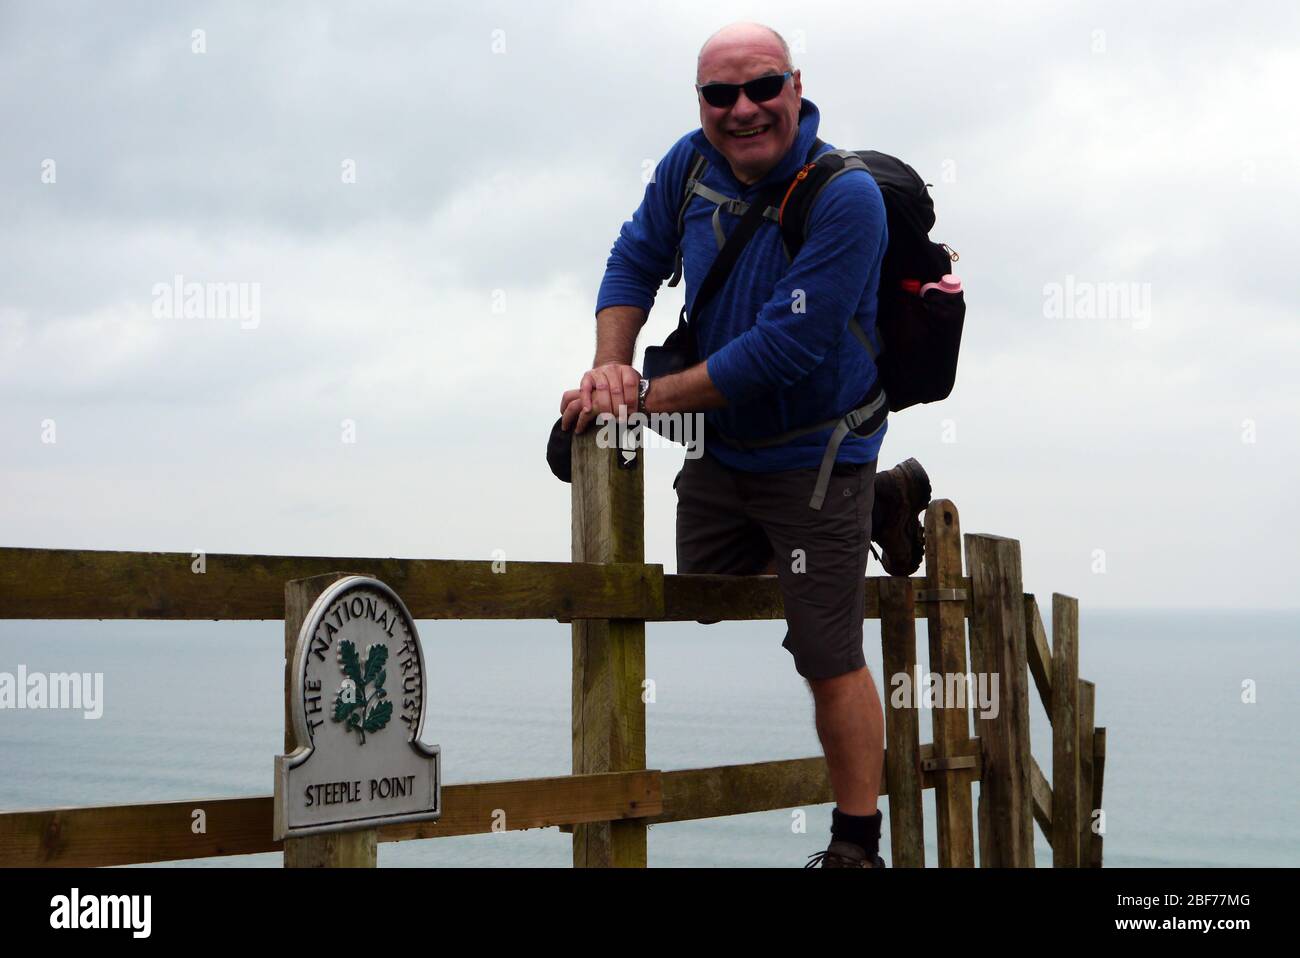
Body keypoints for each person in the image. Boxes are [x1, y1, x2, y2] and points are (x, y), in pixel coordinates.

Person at [558, 21, 931, 867]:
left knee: (825, 652)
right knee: (707, 592)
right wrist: (607, 369)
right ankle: (878, 503)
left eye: (763, 87)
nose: (744, 108)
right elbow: (632, 259)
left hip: (820, 450)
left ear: (796, 88)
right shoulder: (688, 165)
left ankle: (855, 843)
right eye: (721, 94)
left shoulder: (843, 197)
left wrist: (638, 395)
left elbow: (782, 349)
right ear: (701, 103)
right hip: (726, 450)